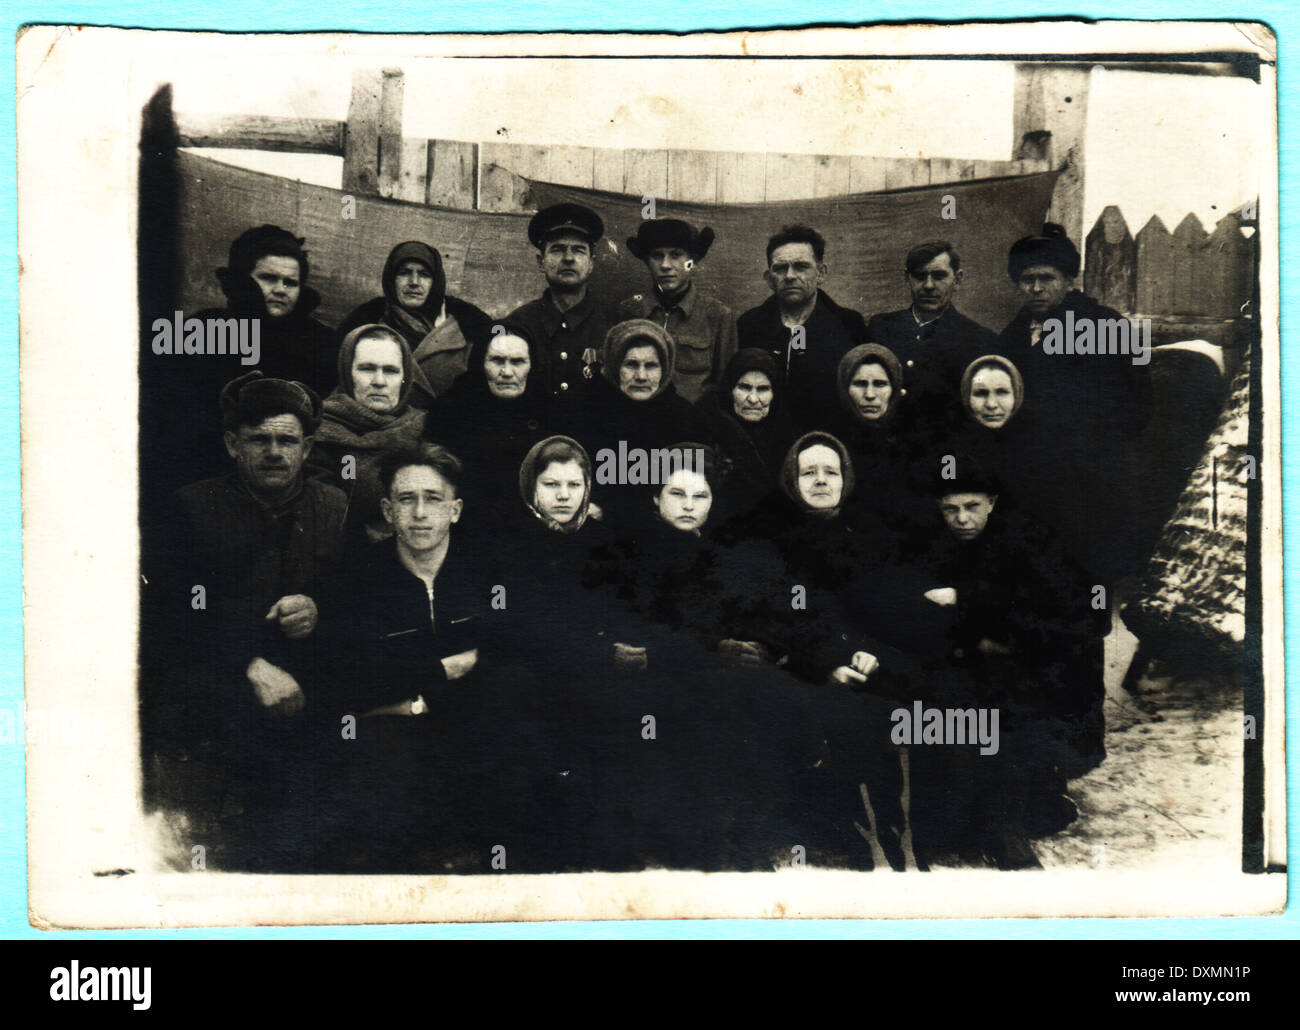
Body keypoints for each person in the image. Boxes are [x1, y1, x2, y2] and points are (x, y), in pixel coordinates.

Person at [141, 371, 346, 870]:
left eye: (287, 440)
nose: (274, 452)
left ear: (307, 446)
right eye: (259, 439)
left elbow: (361, 593)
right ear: (233, 444)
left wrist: (321, 608)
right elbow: (170, 614)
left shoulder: (336, 506)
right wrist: (250, 665)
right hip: (218, 675)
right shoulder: (189, 507)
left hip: (309, 675)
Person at [315, 443, 531, 871]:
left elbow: (513, 653)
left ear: (455, 509)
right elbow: (352, 676)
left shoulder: (490, 572)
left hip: (465, 727)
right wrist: (446, 668)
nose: (419, 513)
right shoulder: (358, 577)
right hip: (396, 736)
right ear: (387, 509)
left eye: (432, 499)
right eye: (406, 499)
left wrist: (418, 692)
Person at [919, 466, 1109, 869]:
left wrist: (973, 608)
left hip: (1018, 664)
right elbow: (924, 619)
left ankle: (1010, 825)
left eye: (972, 507)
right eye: (951, 509)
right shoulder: (932, 547)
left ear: (992, 504)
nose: (962, 519)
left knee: (1019, 701)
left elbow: (1059, 616)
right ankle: (997, 824)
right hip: (959, 665)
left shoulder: (1021, 545)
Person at [996, 223, 1153, 585]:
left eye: (1046, 278)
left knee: (1084, 581)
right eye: (1026, 279)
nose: (1035, 288)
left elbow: (1141, 405)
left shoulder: (1111, 327)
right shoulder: (1012, 337)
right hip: (1033, 482)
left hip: (1091, 485)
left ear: (1070, 278)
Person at [575, 319, 711, 533]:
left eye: (651, 366)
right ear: (614, 366)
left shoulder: (684, 417)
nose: (641, 376)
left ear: (665, 369)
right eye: (631, 365)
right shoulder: (585, 412)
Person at [863, 240, 998, 442]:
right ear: (906, 278)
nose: (928, 285)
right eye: (919, 276)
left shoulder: (980, 340)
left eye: (939, 276)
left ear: (958, 279)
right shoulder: (880, 327)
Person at [736, 224, 866, 431]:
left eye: (801, 266)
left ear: (821, 273)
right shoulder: (749, 325)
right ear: (769, 278)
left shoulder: (849, 325)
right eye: (780, 268)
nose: (789, 276)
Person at [306, 324, 427, 545]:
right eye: (367, 368)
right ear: (347, 372)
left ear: (405, 376)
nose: (379, 381)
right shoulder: (320, 432)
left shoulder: (426, 429)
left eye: (390, 371)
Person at [423, 325, 552, 527]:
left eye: (518, 362)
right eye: (497, 361)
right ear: (480, 363)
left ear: (532, 365)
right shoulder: (450, 411)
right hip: (467, 526)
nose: (507, 372)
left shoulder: (551, 411)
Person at [338, 240, 494, 405]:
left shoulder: (466, 328)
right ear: (391, 279)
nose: (414, 282)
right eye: (404, 273)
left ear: (436, 282)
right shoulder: (364, 326)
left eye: (424, 274)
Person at [617, 218, 737, 403]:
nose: (666, 265)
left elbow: (726, 386)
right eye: (657, 255)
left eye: (676, 255)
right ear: (647, 261)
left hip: (693, 425)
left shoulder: (718, 316)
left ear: (692, 261)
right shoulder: (629, 312)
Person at [503, 203, 612, 407]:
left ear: (591, 263)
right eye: (558, 250)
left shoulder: (613, 324)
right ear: (541, 262)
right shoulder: (518, 324)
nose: (568, 258)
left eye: (578, 251)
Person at [694, 348, 796, 521]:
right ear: (730, 389)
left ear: (775, 394)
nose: (753, 399)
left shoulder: (786, 435)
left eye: (763, 389)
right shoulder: (705, 427)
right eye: (744, 387)